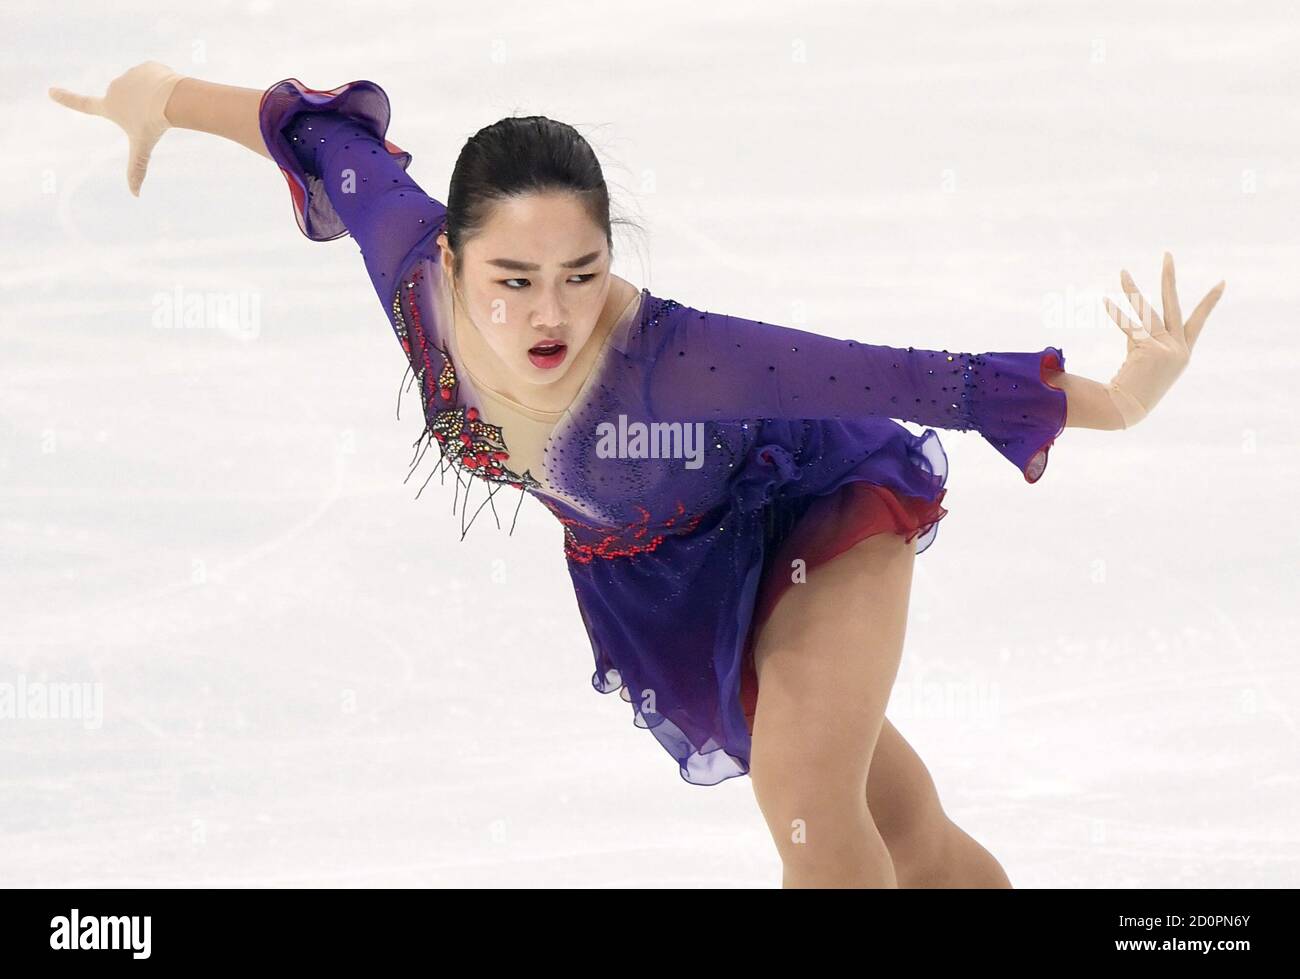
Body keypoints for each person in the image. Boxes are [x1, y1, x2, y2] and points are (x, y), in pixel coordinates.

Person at [49, 61, 1226, 888]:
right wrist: (152, 95)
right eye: (513, 277)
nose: (551, 309)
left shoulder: (675, 360)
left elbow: (910, 379)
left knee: (810, 815)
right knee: (900, 833)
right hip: (669, 577)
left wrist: (1118, 396)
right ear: (452, 258)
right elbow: (307, 132)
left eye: (582, 269)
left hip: (818, 517)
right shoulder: (406, 263)